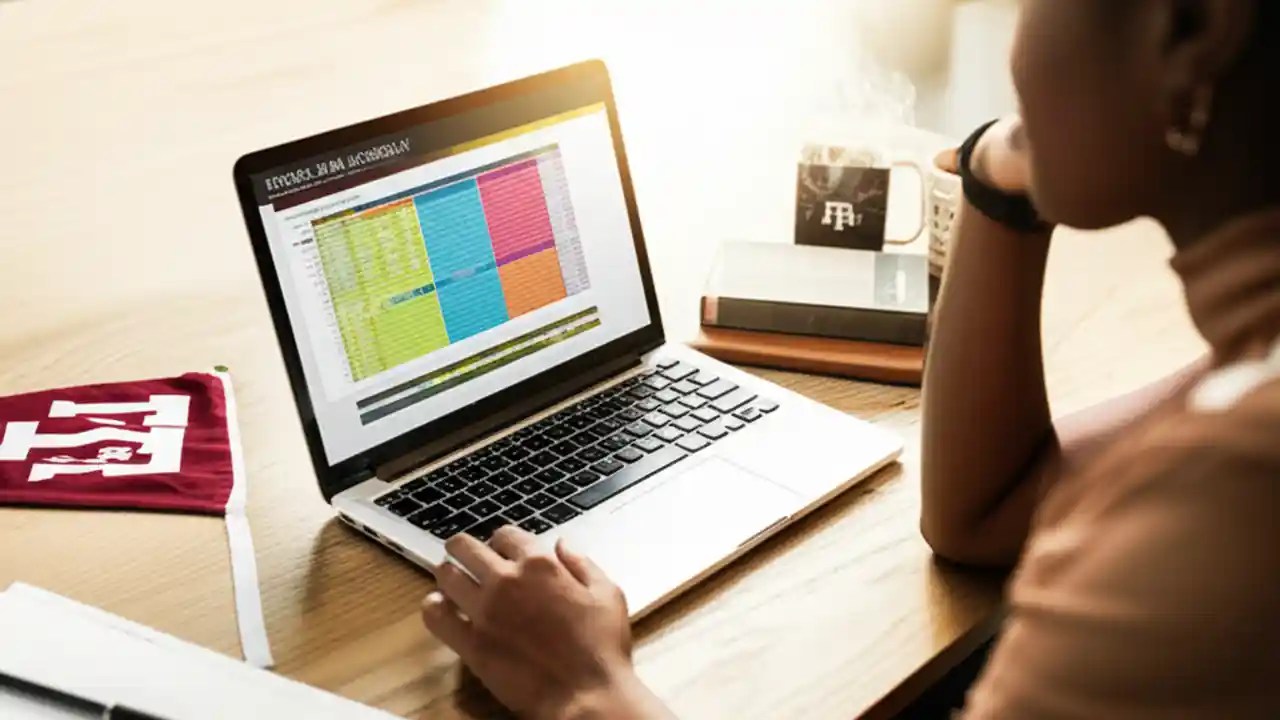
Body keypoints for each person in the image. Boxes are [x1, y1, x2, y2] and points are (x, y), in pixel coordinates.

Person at [420, 1, 1280, 717]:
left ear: (1193, 28)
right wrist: (998, 176)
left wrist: (585, 689)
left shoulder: (1224, 492)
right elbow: (983, 515)